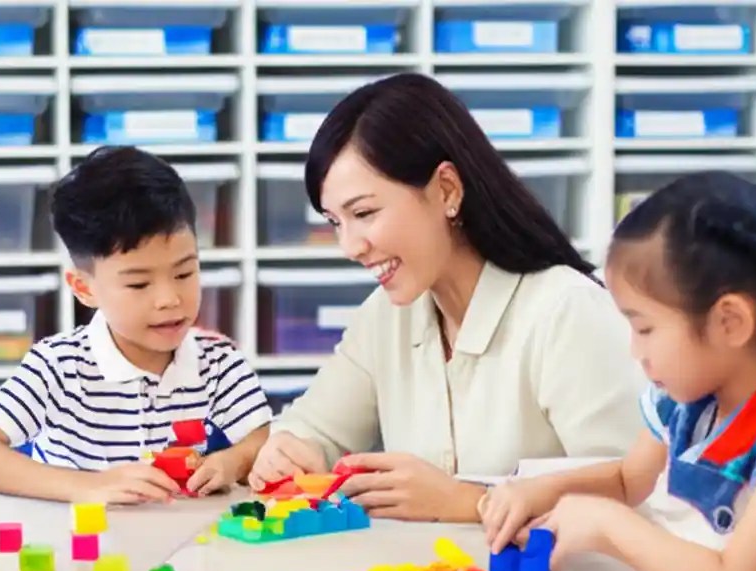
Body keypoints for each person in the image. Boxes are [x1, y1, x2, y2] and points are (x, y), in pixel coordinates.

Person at [248, 72, 644, 522]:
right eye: (335, 221)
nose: (350, 246)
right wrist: (289, 449)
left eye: (364, 213)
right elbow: (315, 427)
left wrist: (469, 502)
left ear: (447, 190)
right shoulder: (387, 316)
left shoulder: (564, 310)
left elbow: (633, 490)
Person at [482, 171, 756, 571]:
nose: (634, 351)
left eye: (644, 329)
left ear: (730, 321)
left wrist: (605, 525)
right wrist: (541, 491)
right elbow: (628, 480)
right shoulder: (688, 401)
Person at [0, 146, 272, 503]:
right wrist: (87, 486)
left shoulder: (219, 362)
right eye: (138, 284)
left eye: (184, 272)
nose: (169, 298)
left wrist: (233, 460)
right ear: (84, 288)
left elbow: (265, 439)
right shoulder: (58, 365)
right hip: (79, 545)